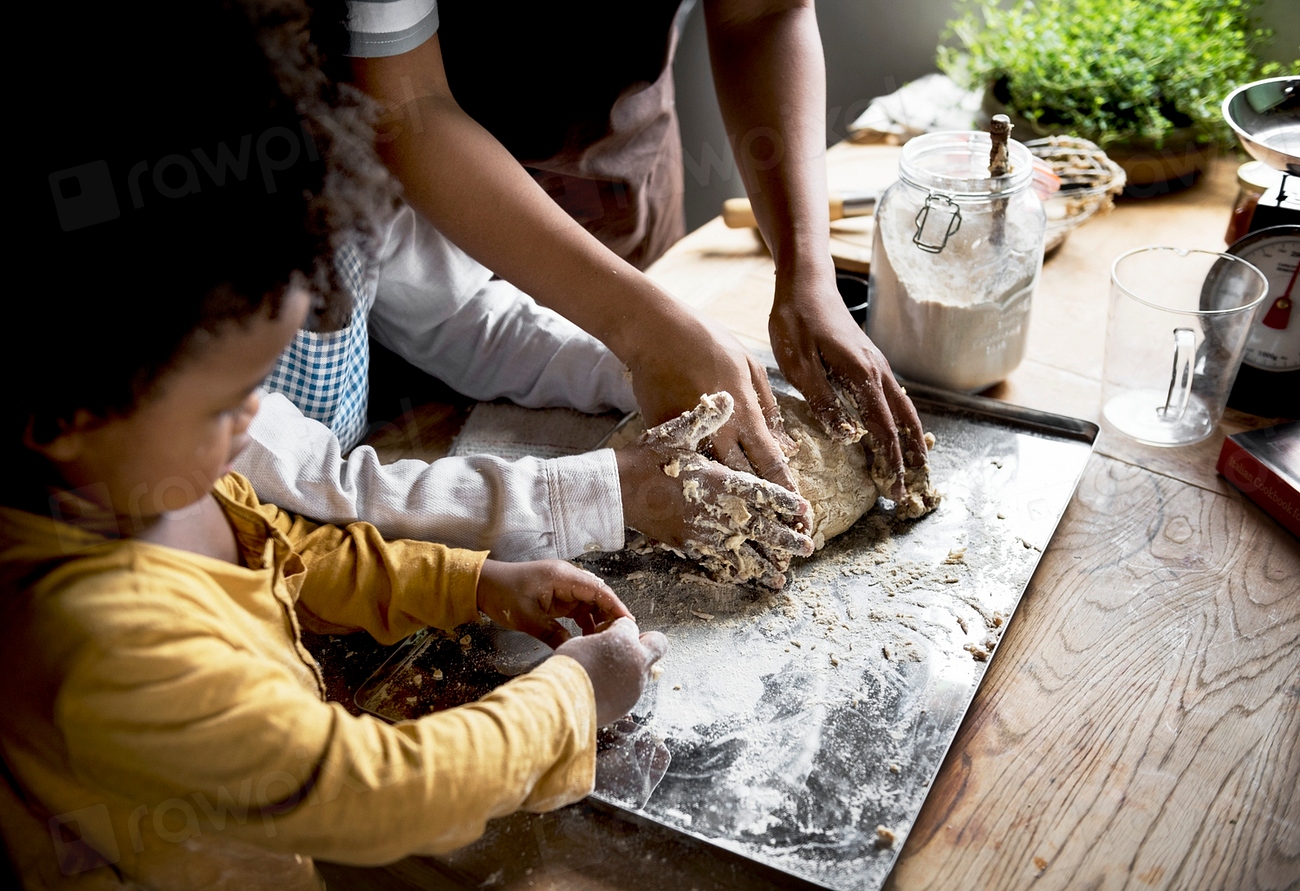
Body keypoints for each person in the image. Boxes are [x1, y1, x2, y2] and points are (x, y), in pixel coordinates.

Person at [3, 3, 664, 887]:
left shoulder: (139, 479)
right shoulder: (109, 648)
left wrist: (474, 583)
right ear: (61, 415)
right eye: (229, 403)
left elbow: (293, 558)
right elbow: (381, 793)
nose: (252, 422)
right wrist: (573, 697)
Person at [329, 0, 932, 507]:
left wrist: (807, 272)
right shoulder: (331, 241)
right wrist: (642, 331)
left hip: (615, 174)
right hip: (415, 188)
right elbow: (409, 111)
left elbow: (764, 12)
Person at [236, 195, 815, 586]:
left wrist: (642, 370)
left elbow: (457, 317)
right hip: (247, 565)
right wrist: (608, 494)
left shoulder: (335, 140)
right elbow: (324, 493)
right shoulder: (174, 360)